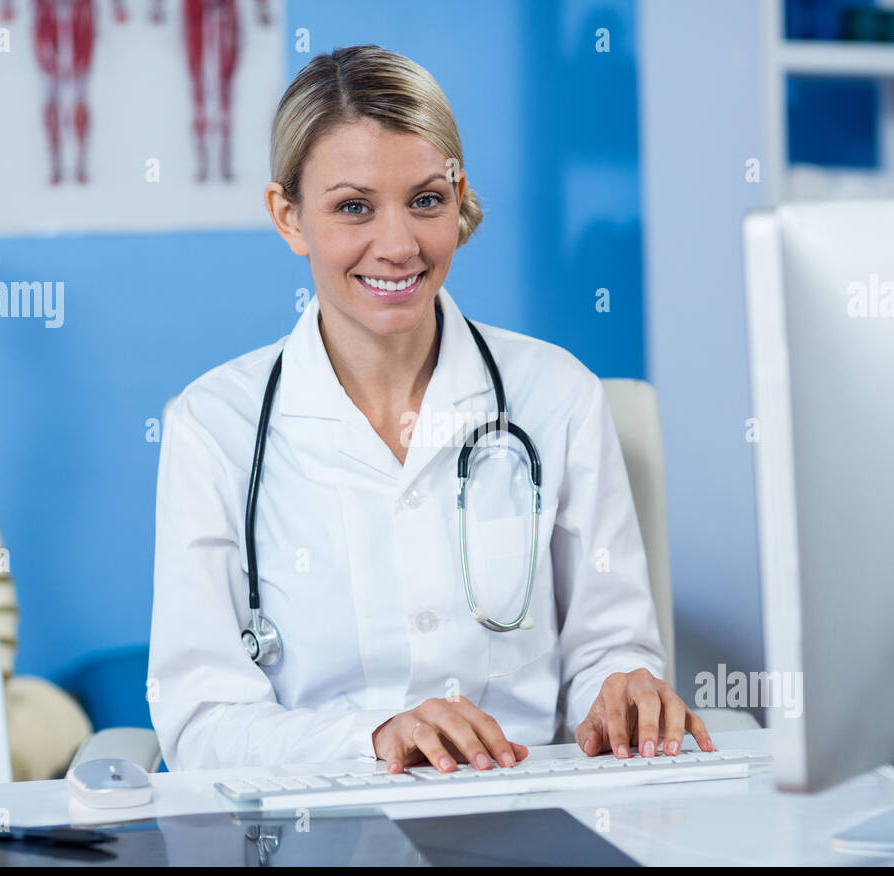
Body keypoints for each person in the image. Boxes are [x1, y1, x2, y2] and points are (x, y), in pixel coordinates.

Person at [148, 44, 711, 774]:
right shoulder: (213, 427)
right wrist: (374, 737)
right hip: (320, 818)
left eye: (425, 201)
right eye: (354, 207)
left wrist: (621, 692)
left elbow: (609, 649)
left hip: (525, 806)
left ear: (457, 196)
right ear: (288, 217)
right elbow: (201, 720)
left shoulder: (557, 394)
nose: (399, 245)